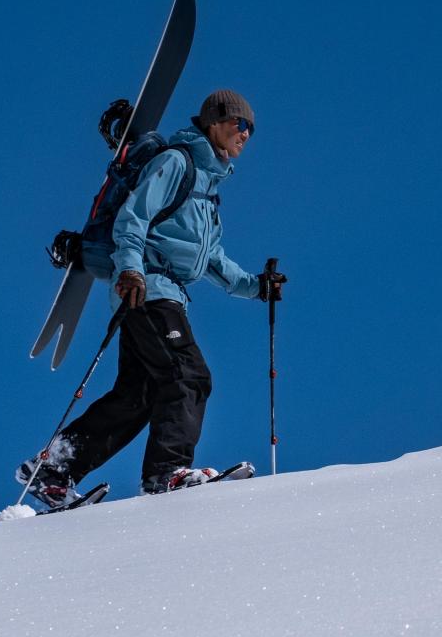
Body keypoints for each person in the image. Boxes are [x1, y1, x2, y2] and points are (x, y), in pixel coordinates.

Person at [18, 89, 287, 505]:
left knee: (139, 394)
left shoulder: (207, 191)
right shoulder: (176, 162)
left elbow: (211, 260)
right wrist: (129, 268)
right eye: (241, 124)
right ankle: (166, 475)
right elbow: (134, 217)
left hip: (164, 293)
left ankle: (54, 468)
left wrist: (257, 287)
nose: (246, 134)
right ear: (216, 120)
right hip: (147, 289)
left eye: (251, 128)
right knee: (187, 374)